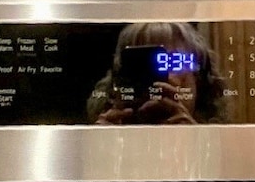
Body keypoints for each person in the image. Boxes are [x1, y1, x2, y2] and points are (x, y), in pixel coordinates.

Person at [87, 22, 226, 125]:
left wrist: (195, 141)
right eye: (141, 65)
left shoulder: (219, 143)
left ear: (199, 80)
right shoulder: (107, 135)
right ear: (119, 78)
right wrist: (99, 144)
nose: (160, 80)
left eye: (173, 62)